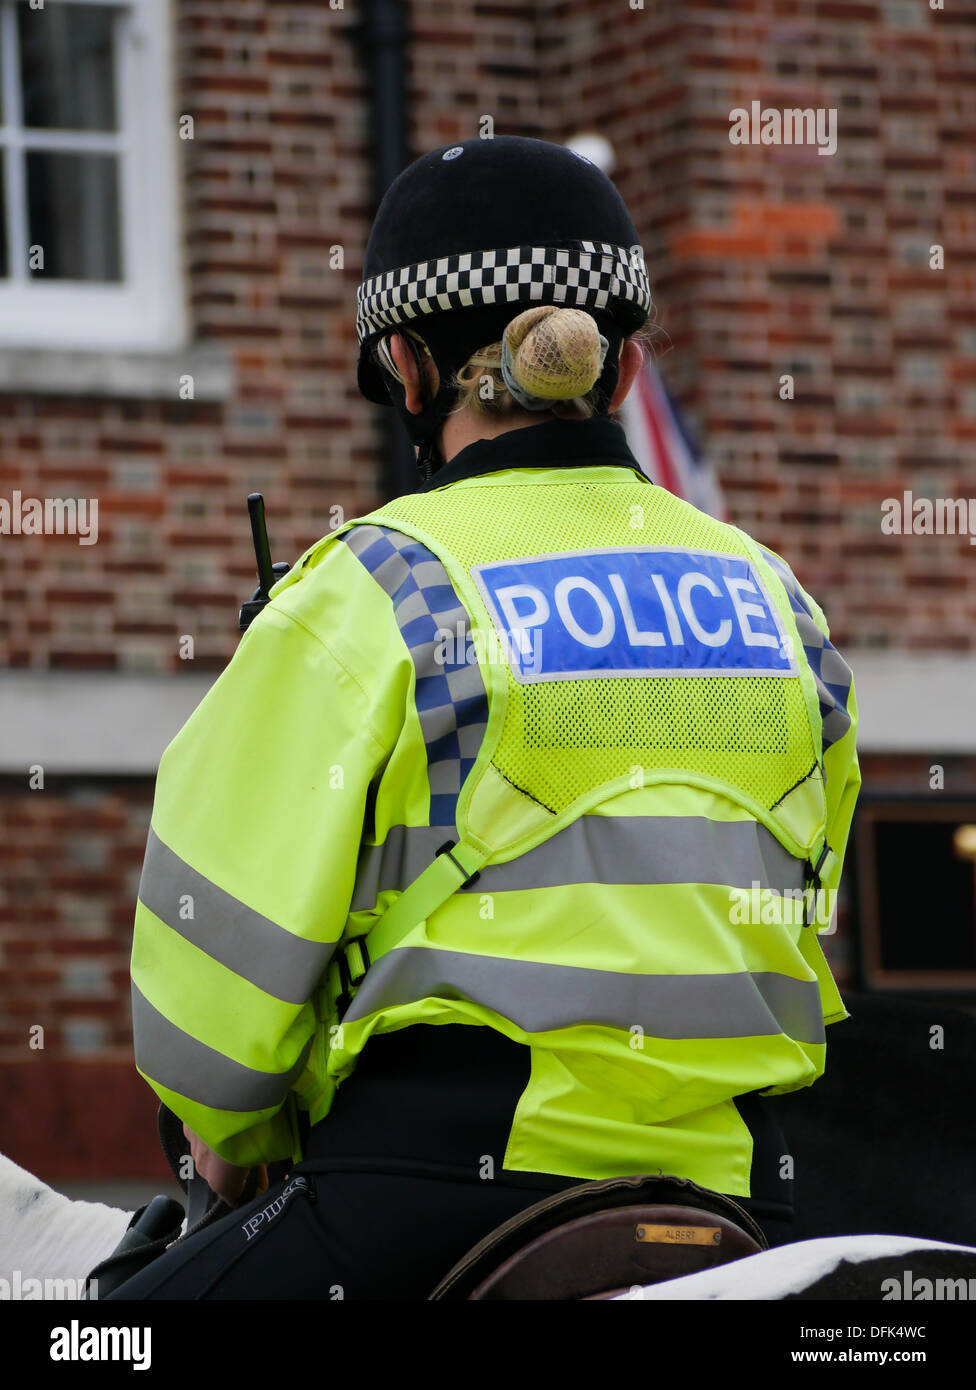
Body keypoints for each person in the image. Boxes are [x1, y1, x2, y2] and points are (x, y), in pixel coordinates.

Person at [108, 136, 860, 1300]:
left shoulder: (373, 590)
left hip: (428, 1188)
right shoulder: (781, 604)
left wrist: (225, 1122)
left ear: (408, 367)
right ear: (621, 367)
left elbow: (213, 970)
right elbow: (806, 909)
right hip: (740, 1188)